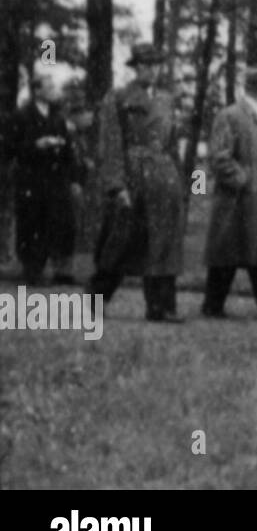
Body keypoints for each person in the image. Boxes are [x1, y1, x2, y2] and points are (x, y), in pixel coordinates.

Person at [89, 42, 186, 322]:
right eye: (145, 65)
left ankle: (162, 307)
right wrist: (116, 185)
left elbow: (174, 144)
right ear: (135, 67)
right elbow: (111, 144)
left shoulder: (167, 100)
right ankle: (95, 297)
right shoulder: (118, 98)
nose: (151, 71)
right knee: (122, 242)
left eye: (156, 65)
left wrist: (184, 183)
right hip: (133, 176)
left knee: (164, 243)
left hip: (164, 177)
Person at [200, 66, 257, 318]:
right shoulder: (230, 115)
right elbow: (218, 157)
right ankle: (213, 304)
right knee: (227, 255)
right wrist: (243, 179)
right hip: (236, 199)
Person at [9, 73, 83, 286]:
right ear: (37, 91)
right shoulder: (21, 116)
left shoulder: (58, 119)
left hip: (56, 181)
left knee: (60, 222)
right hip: (31, 180)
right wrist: (35, 146)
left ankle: (61, 269)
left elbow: (69, 151)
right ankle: (32, 268)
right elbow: (10, 149)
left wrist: (74, 179)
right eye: (49, 87)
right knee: (32, 223)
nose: (54, 91)